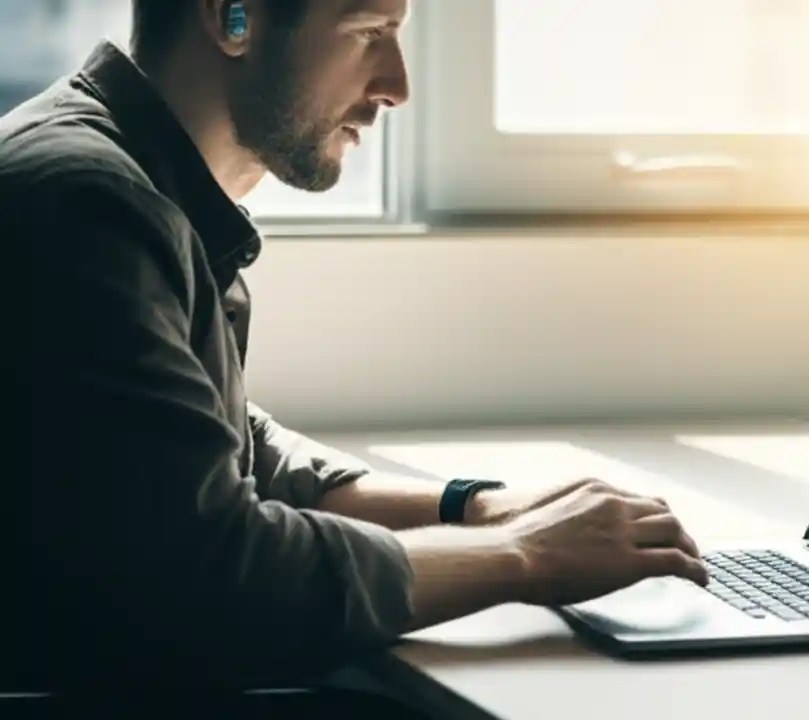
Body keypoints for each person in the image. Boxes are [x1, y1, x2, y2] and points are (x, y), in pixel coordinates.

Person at [7, 0, 708, 713]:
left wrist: (478, 510)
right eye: (368, 33)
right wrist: (526, 555)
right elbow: (214, 574)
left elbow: (223, 451)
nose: (396, 86)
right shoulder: (90, 208)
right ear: (233, 19)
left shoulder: (124, 177)